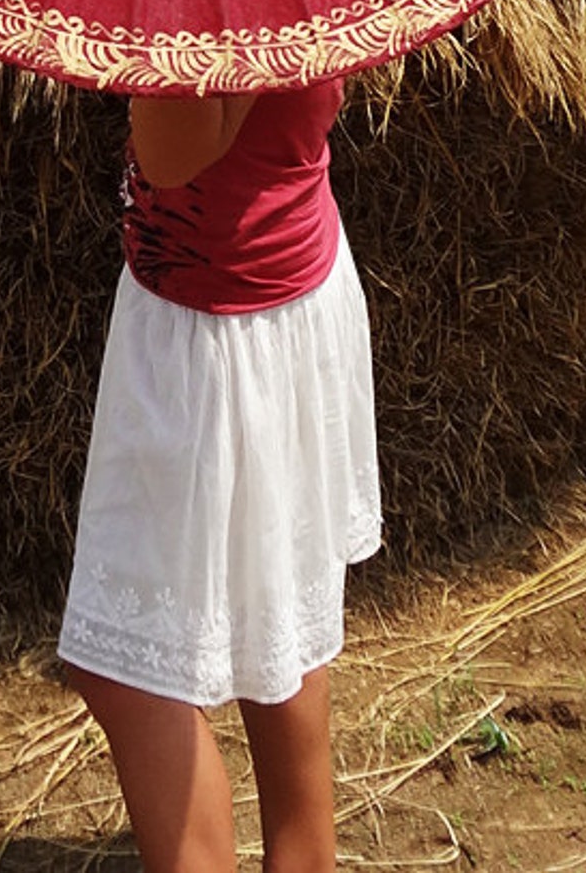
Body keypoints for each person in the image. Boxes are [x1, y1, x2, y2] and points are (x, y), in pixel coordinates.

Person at [57, 83, 382, 873]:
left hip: (212, 339)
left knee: (121, 675)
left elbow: (170, 156)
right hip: (289, 289)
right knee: (277, 619)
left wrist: (181, 42)